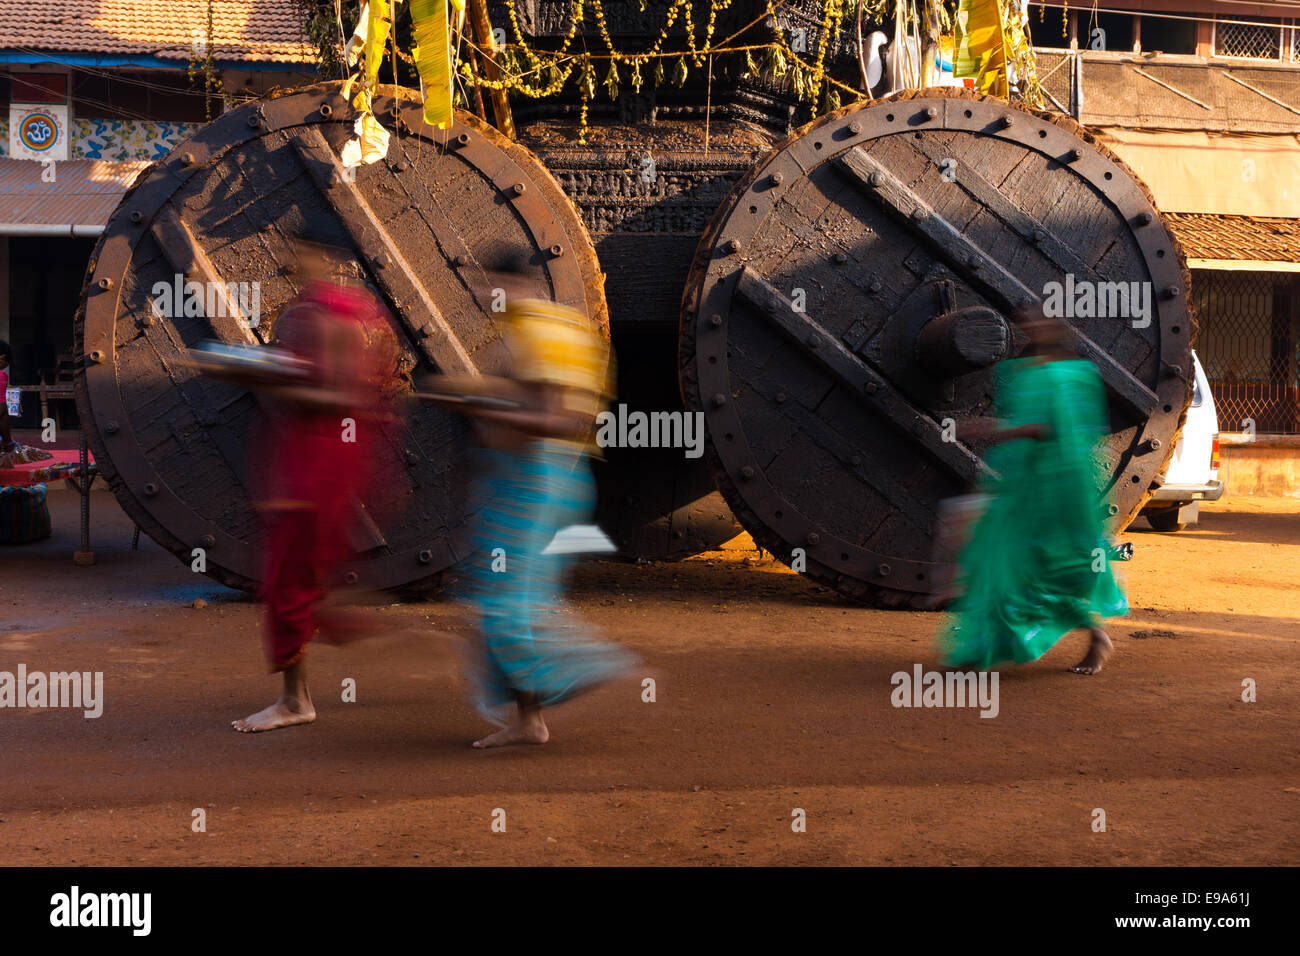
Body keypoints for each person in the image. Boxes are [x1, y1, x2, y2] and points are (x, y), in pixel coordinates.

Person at [426, 254, 637, 748]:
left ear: (515, 282)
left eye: (494, 283)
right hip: (544, 478)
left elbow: (559, 420)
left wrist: (474, 401)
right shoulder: (561, 328)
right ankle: (529, 720)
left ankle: (588, 664)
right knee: (505, 597)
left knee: (505, 604)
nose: (488, 295)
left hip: (538, 478)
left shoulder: (540, 333)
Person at [224, 245, 399, 732]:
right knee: (302, 579)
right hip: (318, 459)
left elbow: (336, 394)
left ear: (325, 258)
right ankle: (382, 642)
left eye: (301, 254)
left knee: (288, 584)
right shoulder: (349, 312)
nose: (291, 262)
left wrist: (260, 373)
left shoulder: (321, 317)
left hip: (313, 463)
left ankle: (295, 701)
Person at [937, 304, 1128, 675]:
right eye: (1030, 322)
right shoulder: (1027, 373)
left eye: (1041, 322)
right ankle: (980, 651)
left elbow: (1048, 429)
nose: (1033, 326)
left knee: (1050, 566)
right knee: (1000, 560)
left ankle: (1095, 636)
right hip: (1023, 481)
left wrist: (986, 428)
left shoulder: (1070, 376)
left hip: (1061, 488)